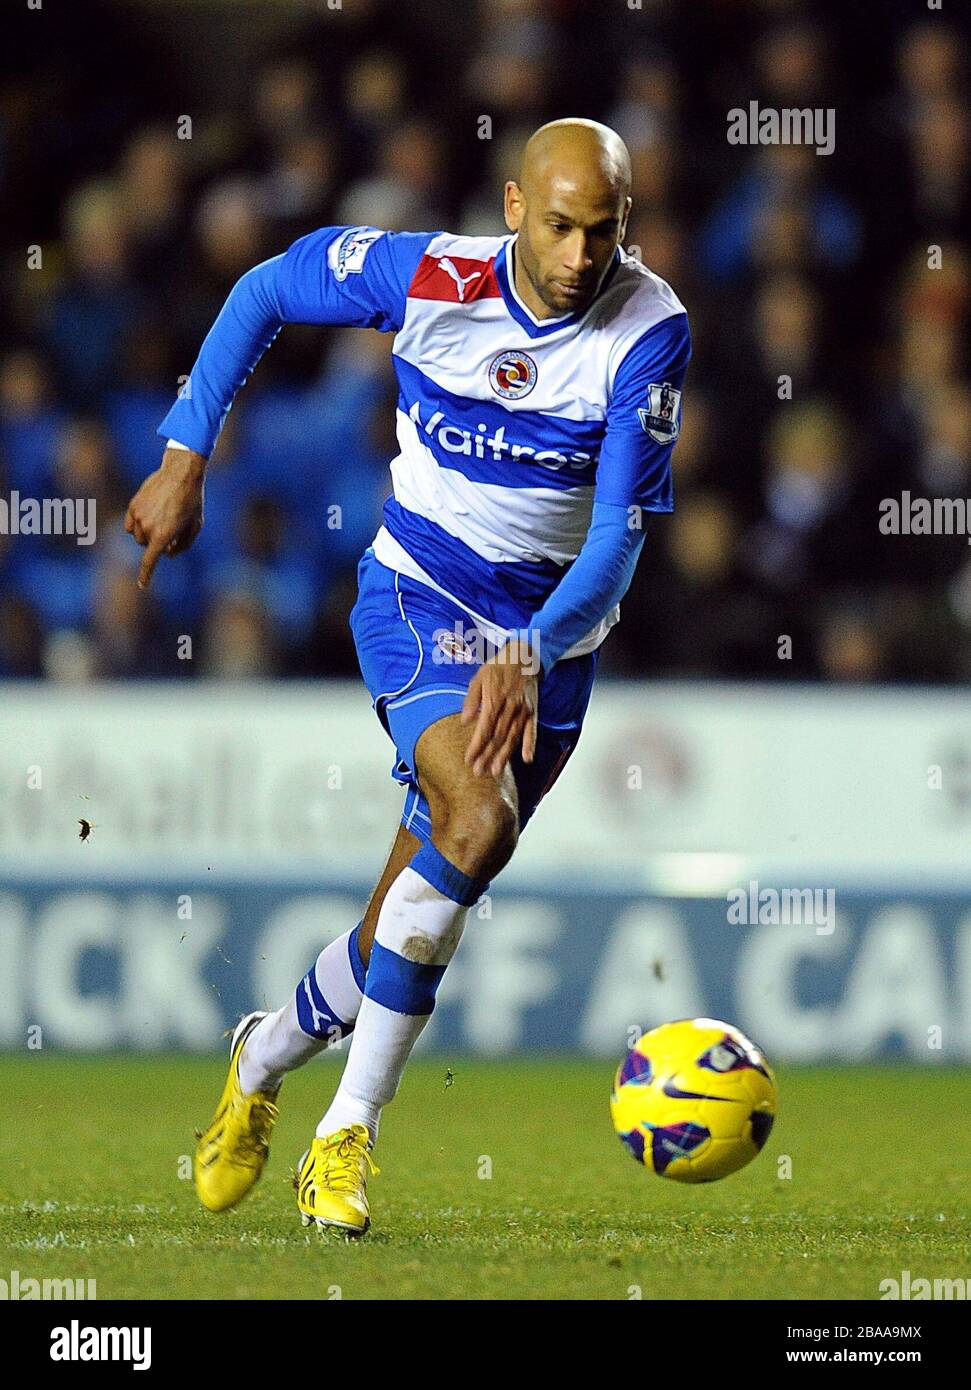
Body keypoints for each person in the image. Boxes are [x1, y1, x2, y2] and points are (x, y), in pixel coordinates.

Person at [125, 118, 690, 1235]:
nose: (583, 257)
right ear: (516, 207)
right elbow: (266, 287)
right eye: (564, 227)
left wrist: (531, 650)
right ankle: (347, 1138)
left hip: (550, 643)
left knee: (415, 905)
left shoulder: (648, 328)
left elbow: (618, 537)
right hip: (418, 596)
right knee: (474, 824)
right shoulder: (429, 276)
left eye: (606, 232)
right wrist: (187, 451)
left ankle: (266, 1050)